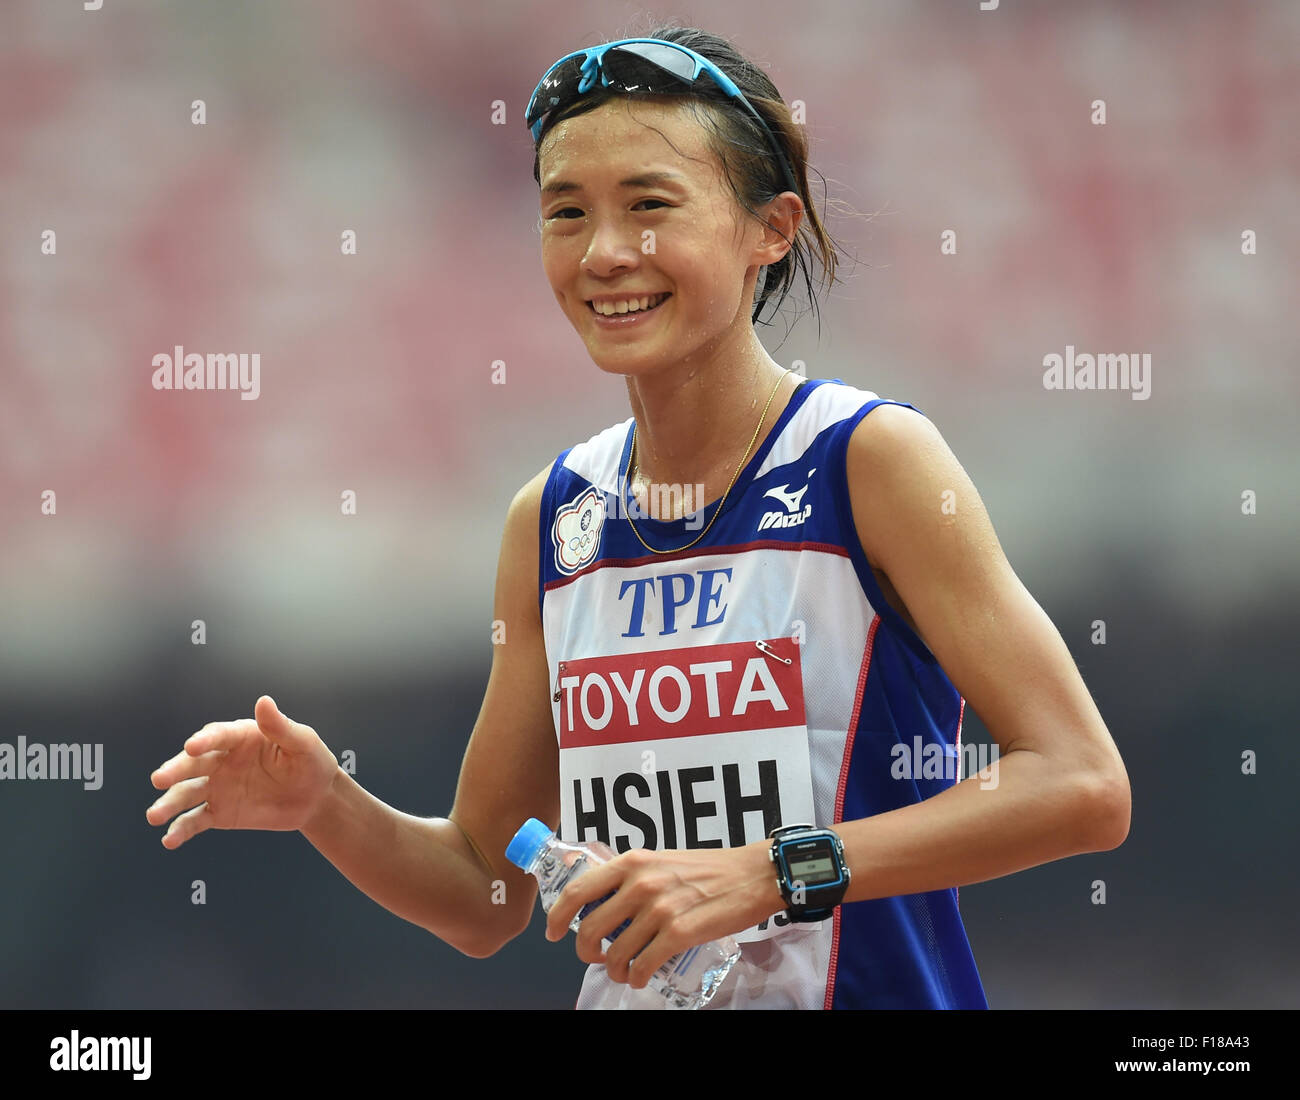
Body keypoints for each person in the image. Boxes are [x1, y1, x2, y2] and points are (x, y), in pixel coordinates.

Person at [146, 25, 1131, 1010]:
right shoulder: (553, 517)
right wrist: (329, 801)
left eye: (650, 206)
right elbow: (486, 888)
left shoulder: (866, 461)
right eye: (565, 211)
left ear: (770, 228)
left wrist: (768, 870)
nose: (606, 252)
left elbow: (1081, 782)